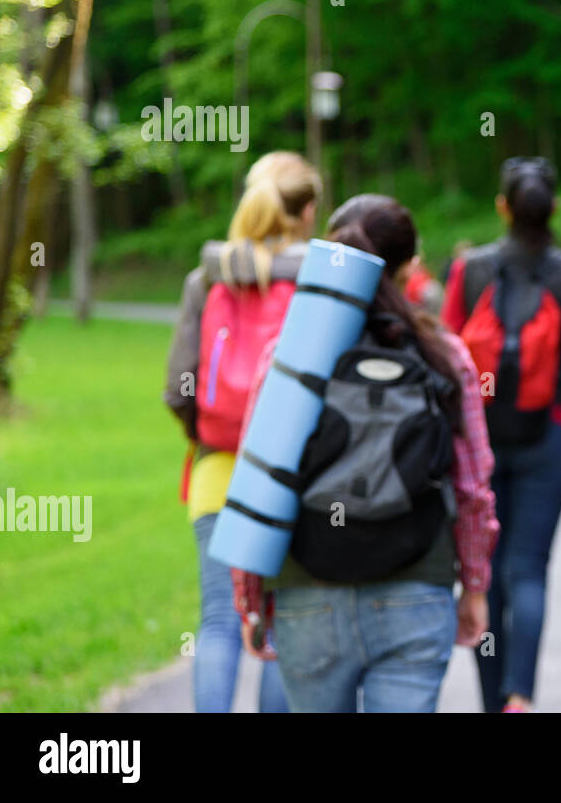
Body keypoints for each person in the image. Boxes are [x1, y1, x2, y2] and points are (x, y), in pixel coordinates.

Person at [235, 198, 498, 712]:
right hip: (416, 586)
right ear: (411, 266)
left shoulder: (288, 355)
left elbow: (257, 480)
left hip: (308, 594)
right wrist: (475, 586)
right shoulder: (444, 355)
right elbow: (472, 488)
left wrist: (250, 599)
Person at [441, 157, 561, 713]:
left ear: (502, 207)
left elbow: (445, 355)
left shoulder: (469, 270)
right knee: (528, 568)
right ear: (553, 208)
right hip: (549, 438)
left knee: (484, 576)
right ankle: (520, 697)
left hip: (478, 447)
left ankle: (493, 703)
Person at [163, 150, 322, 713]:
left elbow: (178, 387)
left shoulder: (205, 279)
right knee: (280, 626)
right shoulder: (320, 282)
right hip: (290, 475)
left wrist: (206, 431)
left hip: (216, 471)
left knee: (219, 621)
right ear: (306, 213)